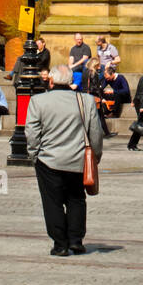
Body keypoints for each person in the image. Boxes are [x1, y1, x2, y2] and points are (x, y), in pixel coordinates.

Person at [26, 64, 103, 256]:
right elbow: (96, 133)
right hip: (77, 159)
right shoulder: (85, 100)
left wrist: (34, 154)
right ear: (71, 81)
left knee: (52, 202)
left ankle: (60, 244)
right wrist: (95, 156)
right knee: (77, 198)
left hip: (48, 159)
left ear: (50, 80)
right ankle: (76, 240)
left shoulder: (38, 101)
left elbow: (32, 132)